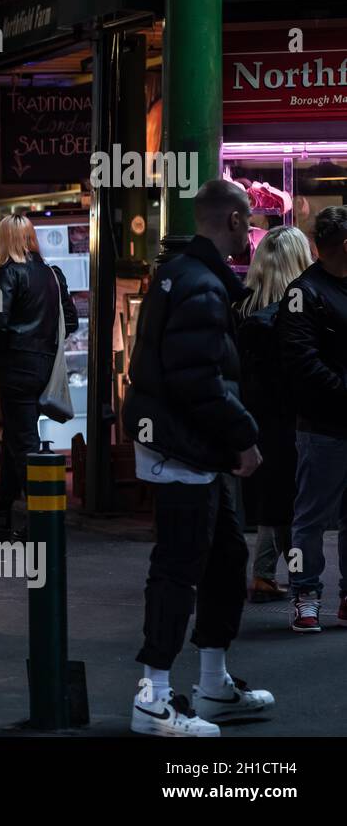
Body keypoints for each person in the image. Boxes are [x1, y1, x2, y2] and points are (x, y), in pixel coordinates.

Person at [122, 178, 273, 737]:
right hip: (184, 445)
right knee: (181, 566)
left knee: (224, 557)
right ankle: (154, 698)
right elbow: (198, 380)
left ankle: (212, 685)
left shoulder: (181, 273)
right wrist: (244, 436)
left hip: (185, 443)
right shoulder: (203, 285)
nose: (252, 232)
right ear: (232, 220)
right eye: (249, 222)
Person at [0, 214, 77, 537]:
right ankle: (3, 511)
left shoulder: (6, 274)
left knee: (23, 444)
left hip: (15, 369)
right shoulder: (53, 274)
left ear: (6, 239)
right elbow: (72, 321)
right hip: (44, 366)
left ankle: (42, 519)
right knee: (14, 437)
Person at [279, 205, 347, 633]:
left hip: (330, 420)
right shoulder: (304, 292)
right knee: (310, 517)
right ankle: (305, 595)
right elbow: (301, 361)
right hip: (323, 426)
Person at [236, 226, 312, 604]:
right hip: (296, 422)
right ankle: (296, 576)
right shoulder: (302, 312)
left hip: (254, 421)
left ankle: (267, 573)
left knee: (276, 501)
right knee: (296, 504)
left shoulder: (244, 310)